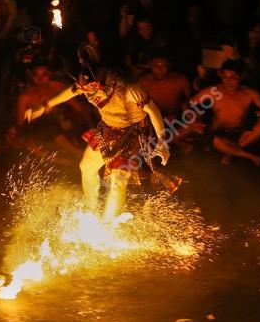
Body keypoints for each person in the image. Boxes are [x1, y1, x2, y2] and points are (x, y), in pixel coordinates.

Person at [25, 60, 171, 221]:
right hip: (107, 129)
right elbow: (72, 91)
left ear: (104, 85)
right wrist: (44, 106)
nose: (90, 97)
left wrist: (162, 143)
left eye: (93, 93)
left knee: (118, 182)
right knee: (86, 166)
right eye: (86, 92)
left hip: (133, 134)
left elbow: (153, 110)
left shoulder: (129, 89)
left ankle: (108, 225)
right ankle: (91, 211)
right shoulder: (87, 85)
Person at [193, 58, 260, 165]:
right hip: (219, 134)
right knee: (216, 141)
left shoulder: (249, 93)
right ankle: (248, 156)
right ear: (221, 76)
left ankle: (230, 152)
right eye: (225, 77)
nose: (228, 81)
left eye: (232, 77)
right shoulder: (213, 91)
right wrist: (196, 118)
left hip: (240, 134)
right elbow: (191, 102)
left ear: (239, 77)